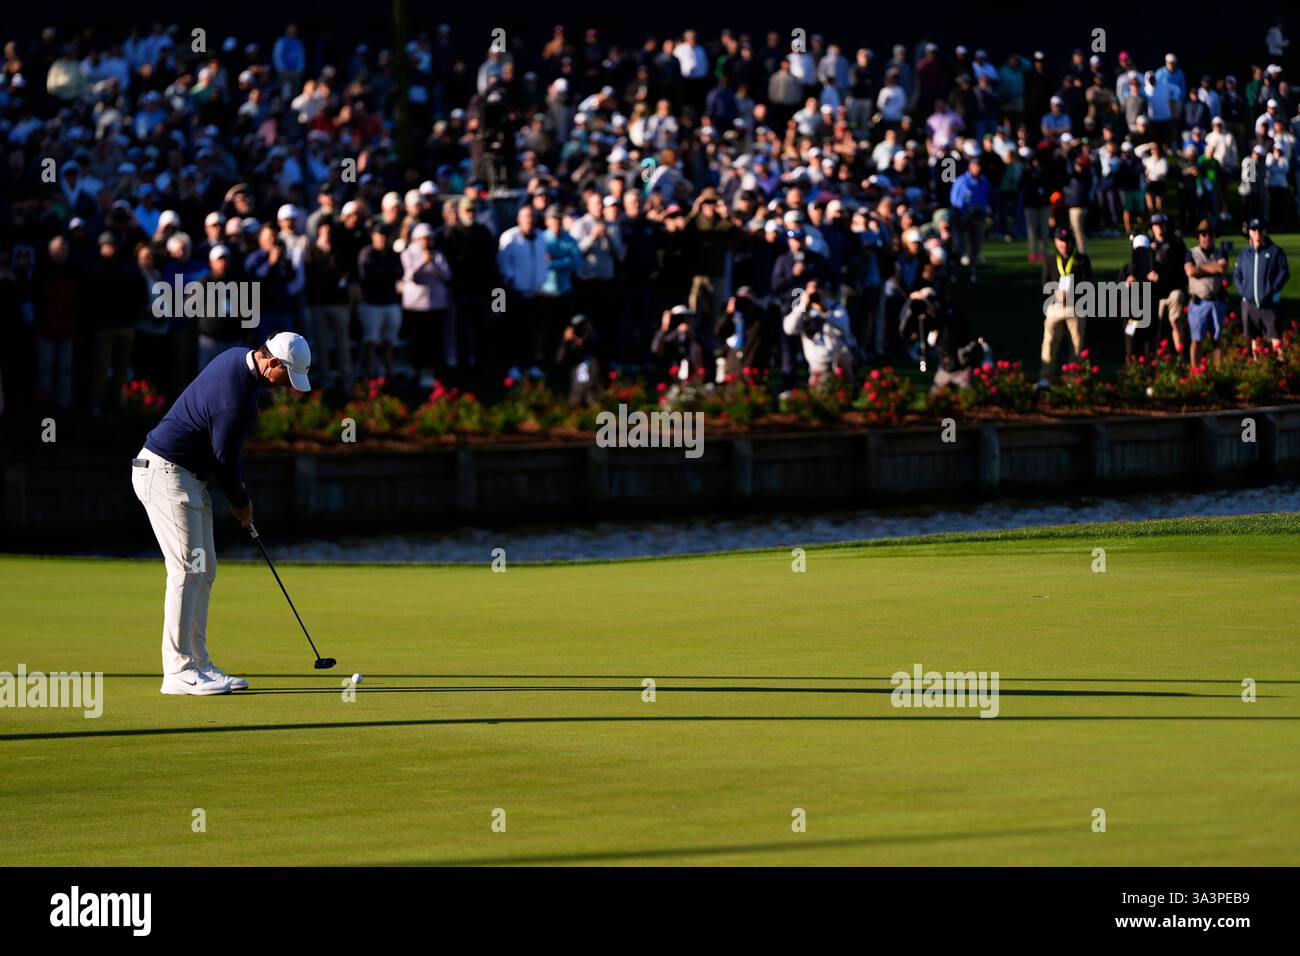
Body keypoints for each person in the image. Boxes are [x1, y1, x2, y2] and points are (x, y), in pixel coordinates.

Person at [132, 332, 312, 695]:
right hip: (165, 474)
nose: (288, 388)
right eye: (287, 378)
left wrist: (240, 497)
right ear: (272, 363)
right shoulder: (237, 400)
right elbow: (225, 459)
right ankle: (179, 670)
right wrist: (241, 503)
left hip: (182, 476)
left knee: (203, 568)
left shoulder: (236, 357)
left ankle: (198, 663)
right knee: (186, 568)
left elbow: (228, 451)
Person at [400, 222, 453, 388]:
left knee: (434, 340)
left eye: (428, 238)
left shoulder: (438, 255)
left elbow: (447, 275)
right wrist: (423, 262)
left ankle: (431, 371)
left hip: (435, 305)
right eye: (422, 238)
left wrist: (433, 263)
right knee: (417, 340)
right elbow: (411, 276)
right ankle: (416, 369)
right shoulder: (408, 254)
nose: (425, 242)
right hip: (415, 306)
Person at [1039, 228, 1092, 386]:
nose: (1063, 244)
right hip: (1055, 306)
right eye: (1060, 241)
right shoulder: (1050, 259)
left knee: (1077, 343)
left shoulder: (1082, 260)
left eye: (1066, 241)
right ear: (1055, 242)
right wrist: (1055, 292)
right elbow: (1045, 283)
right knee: (1049, 341)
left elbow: (1088, 283)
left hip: (1075, 306)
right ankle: (1045, 376)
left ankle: (1073, 377)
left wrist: (1072, 293)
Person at [1233, 218, 1291, 353]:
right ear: (1249, 232)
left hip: (1269, 304)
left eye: (1259, 230)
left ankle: (1281, 370)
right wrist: (1244, 292)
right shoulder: (1244, 254)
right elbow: (1237, 275)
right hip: (1250, 304)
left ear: (1264, 231)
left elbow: (1284, 272)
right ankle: (1259, 369)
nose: (1257, 233)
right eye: (1254, 230)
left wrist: (1272, 289)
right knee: (1255, 340)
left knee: (1276, 340)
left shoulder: (1275, 251)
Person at [356, 218, 404, 379]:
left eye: (385, 235)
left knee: (389, 343)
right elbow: (368, 276)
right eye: (379, 235)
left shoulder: (392, 254)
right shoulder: (367, 253)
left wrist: (383, 273)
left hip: (390, 302)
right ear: (373, 236)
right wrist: (386, 273)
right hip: (372, 304)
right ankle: (371, 379)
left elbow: (399, 273)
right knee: (372, 343)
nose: (382, 238)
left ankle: (390, 377)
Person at [782, 280, 857, 383]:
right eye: (811, 288)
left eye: (818, 288)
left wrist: (824, 310)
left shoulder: (835, 306)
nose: (815, 291)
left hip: (838, 362)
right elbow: (789, 329)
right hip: (816, 366)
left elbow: (845, 329)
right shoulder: (802, 309)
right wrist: (803, 306)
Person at [1184, 219, 1229, 366]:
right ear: (1198, 236)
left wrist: (1201, 268)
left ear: (1214, 236)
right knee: (1196, 340)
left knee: (1218, 339)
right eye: (1203, 234)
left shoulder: (1220, 252)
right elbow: (1191, 271)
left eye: (1210, 234)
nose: (1207, 237)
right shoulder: (1191, 253)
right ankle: (1195, 373)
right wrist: (1212, 267)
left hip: (1216, 301)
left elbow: (1222, 268)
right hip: (1198, 302)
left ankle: (1219, 372)